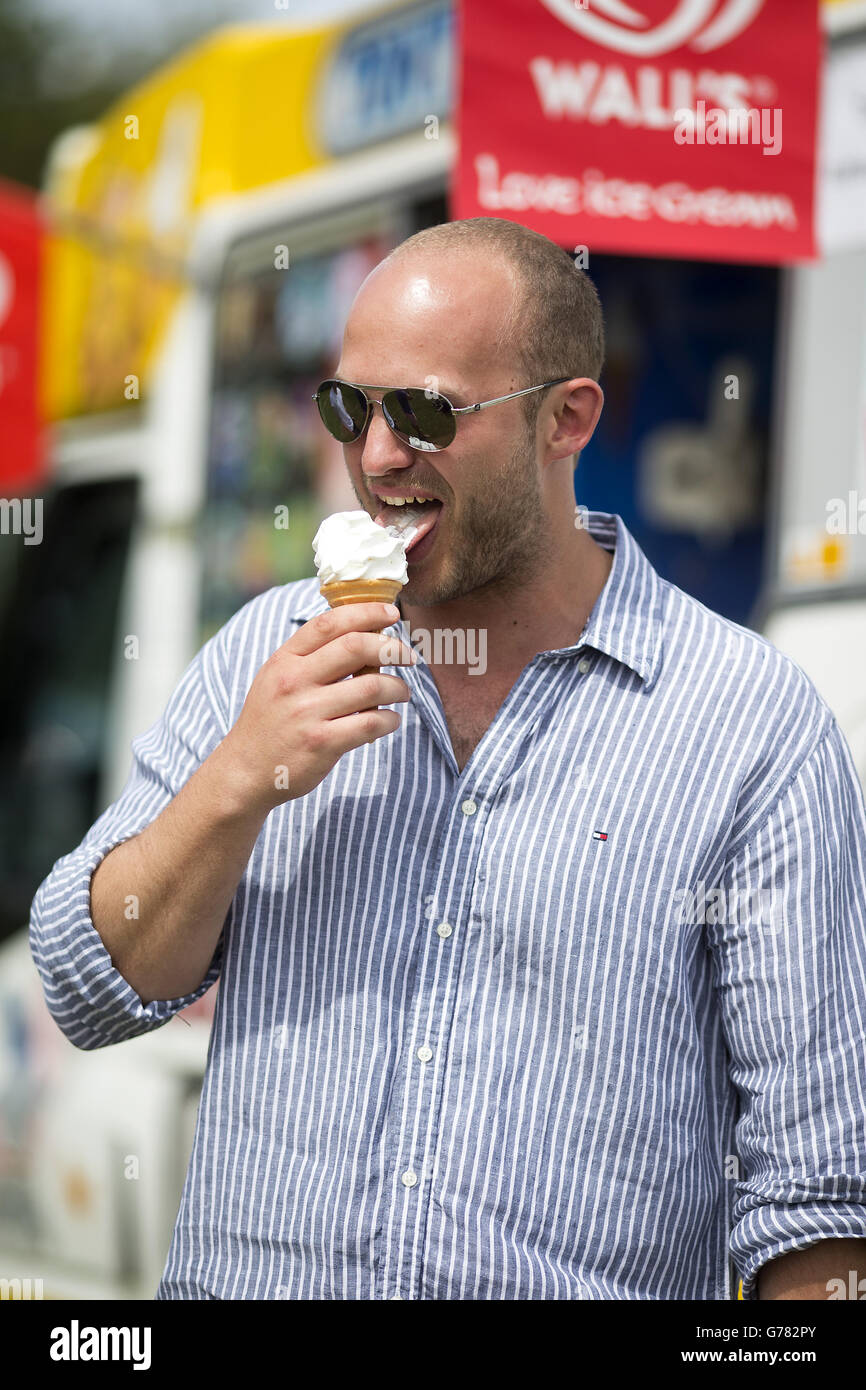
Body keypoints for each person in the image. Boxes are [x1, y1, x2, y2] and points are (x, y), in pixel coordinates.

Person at [30, 217, 866, 1301]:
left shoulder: (749, 726)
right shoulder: (263, 652)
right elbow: (84, 990)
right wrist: (237, 782)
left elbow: (817, 1191)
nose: (377, 458)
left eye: (424, 412)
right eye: (347, 407)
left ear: (565, 420)